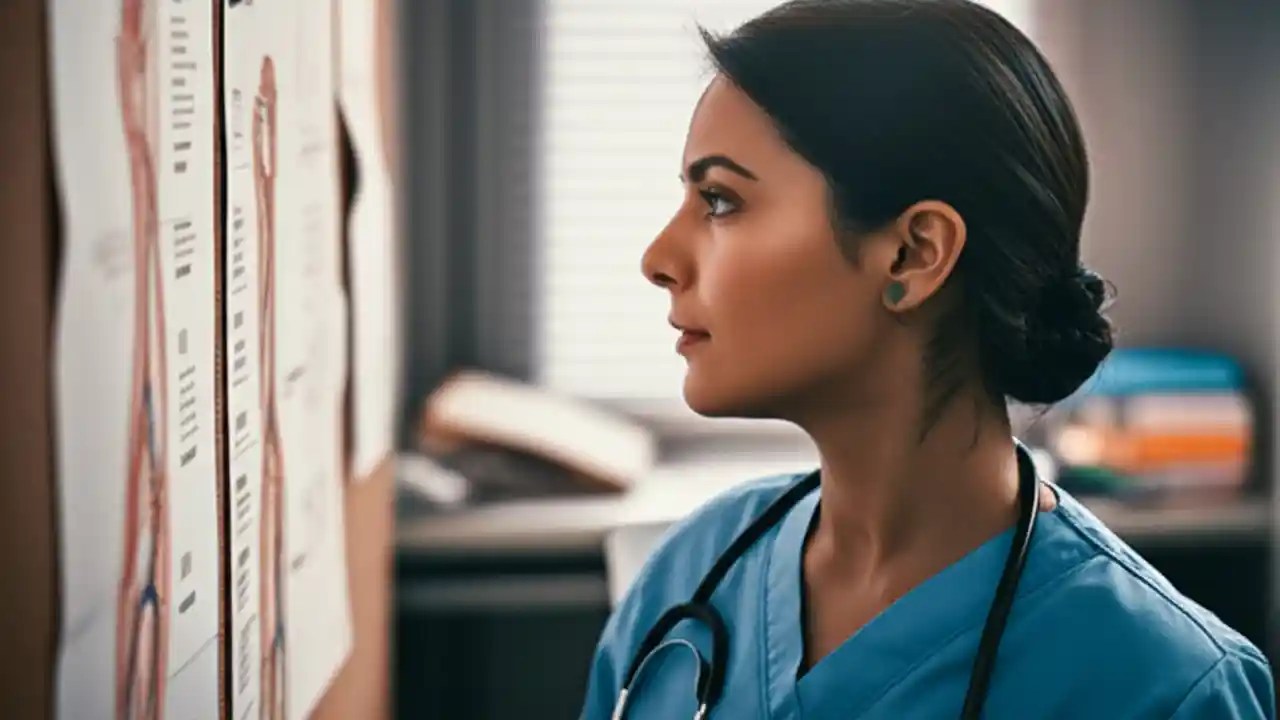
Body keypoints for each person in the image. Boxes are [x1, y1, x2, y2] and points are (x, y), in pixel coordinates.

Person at [580, 1, 1275, 718]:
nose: (657, 259)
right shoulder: (689, 575)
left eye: (721, 200)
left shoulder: (1169, 687)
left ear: (914, 254)